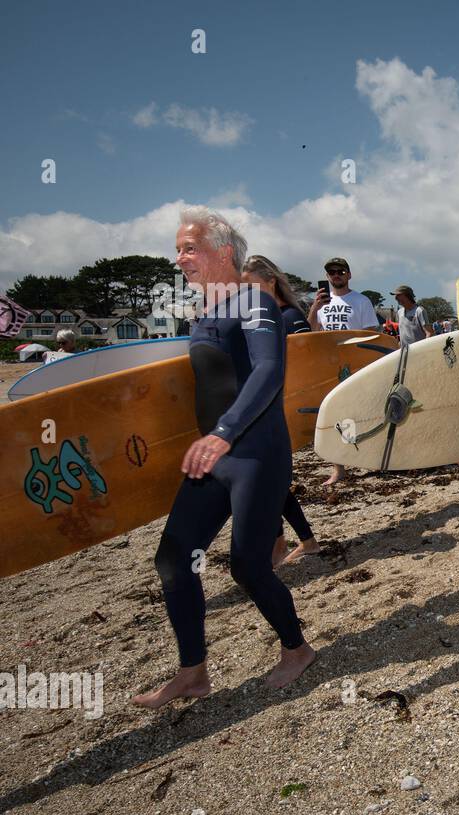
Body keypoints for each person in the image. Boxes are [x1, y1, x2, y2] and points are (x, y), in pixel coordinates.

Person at [132, 208, 314, 709]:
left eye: (190, 248)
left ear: (224, 252)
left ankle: (297, 649)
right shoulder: (204, 314)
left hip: (255, 451)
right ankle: (193, 672)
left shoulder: (254, 299)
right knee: (173, 559)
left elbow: (269, 372)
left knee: (248, 566)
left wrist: (224, 433)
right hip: (215, 456)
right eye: (178, 249)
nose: (180, 258)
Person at [240, 254, 323, 567]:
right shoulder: (263, 316)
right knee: (267, 481)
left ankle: (285, 546)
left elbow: (307, 366)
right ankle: (300, 542)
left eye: (250, 285)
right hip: (264, 410)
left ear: (270, 282)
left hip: (278, 411)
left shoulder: (289, 318)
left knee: (266, 480)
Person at [306, 257, 379, 485]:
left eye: (340, 271)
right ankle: (338, 467)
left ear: (348, 274)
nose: (336, 275)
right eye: (331, 272)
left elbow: (370, 333)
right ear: (327, 276)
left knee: (361, 411)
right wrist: (315, 308)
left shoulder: (361, 301)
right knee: (333, 414)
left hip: (354, 364)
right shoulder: (319, 303)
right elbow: (310, 331)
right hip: (327, 365)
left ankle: (370, 457)